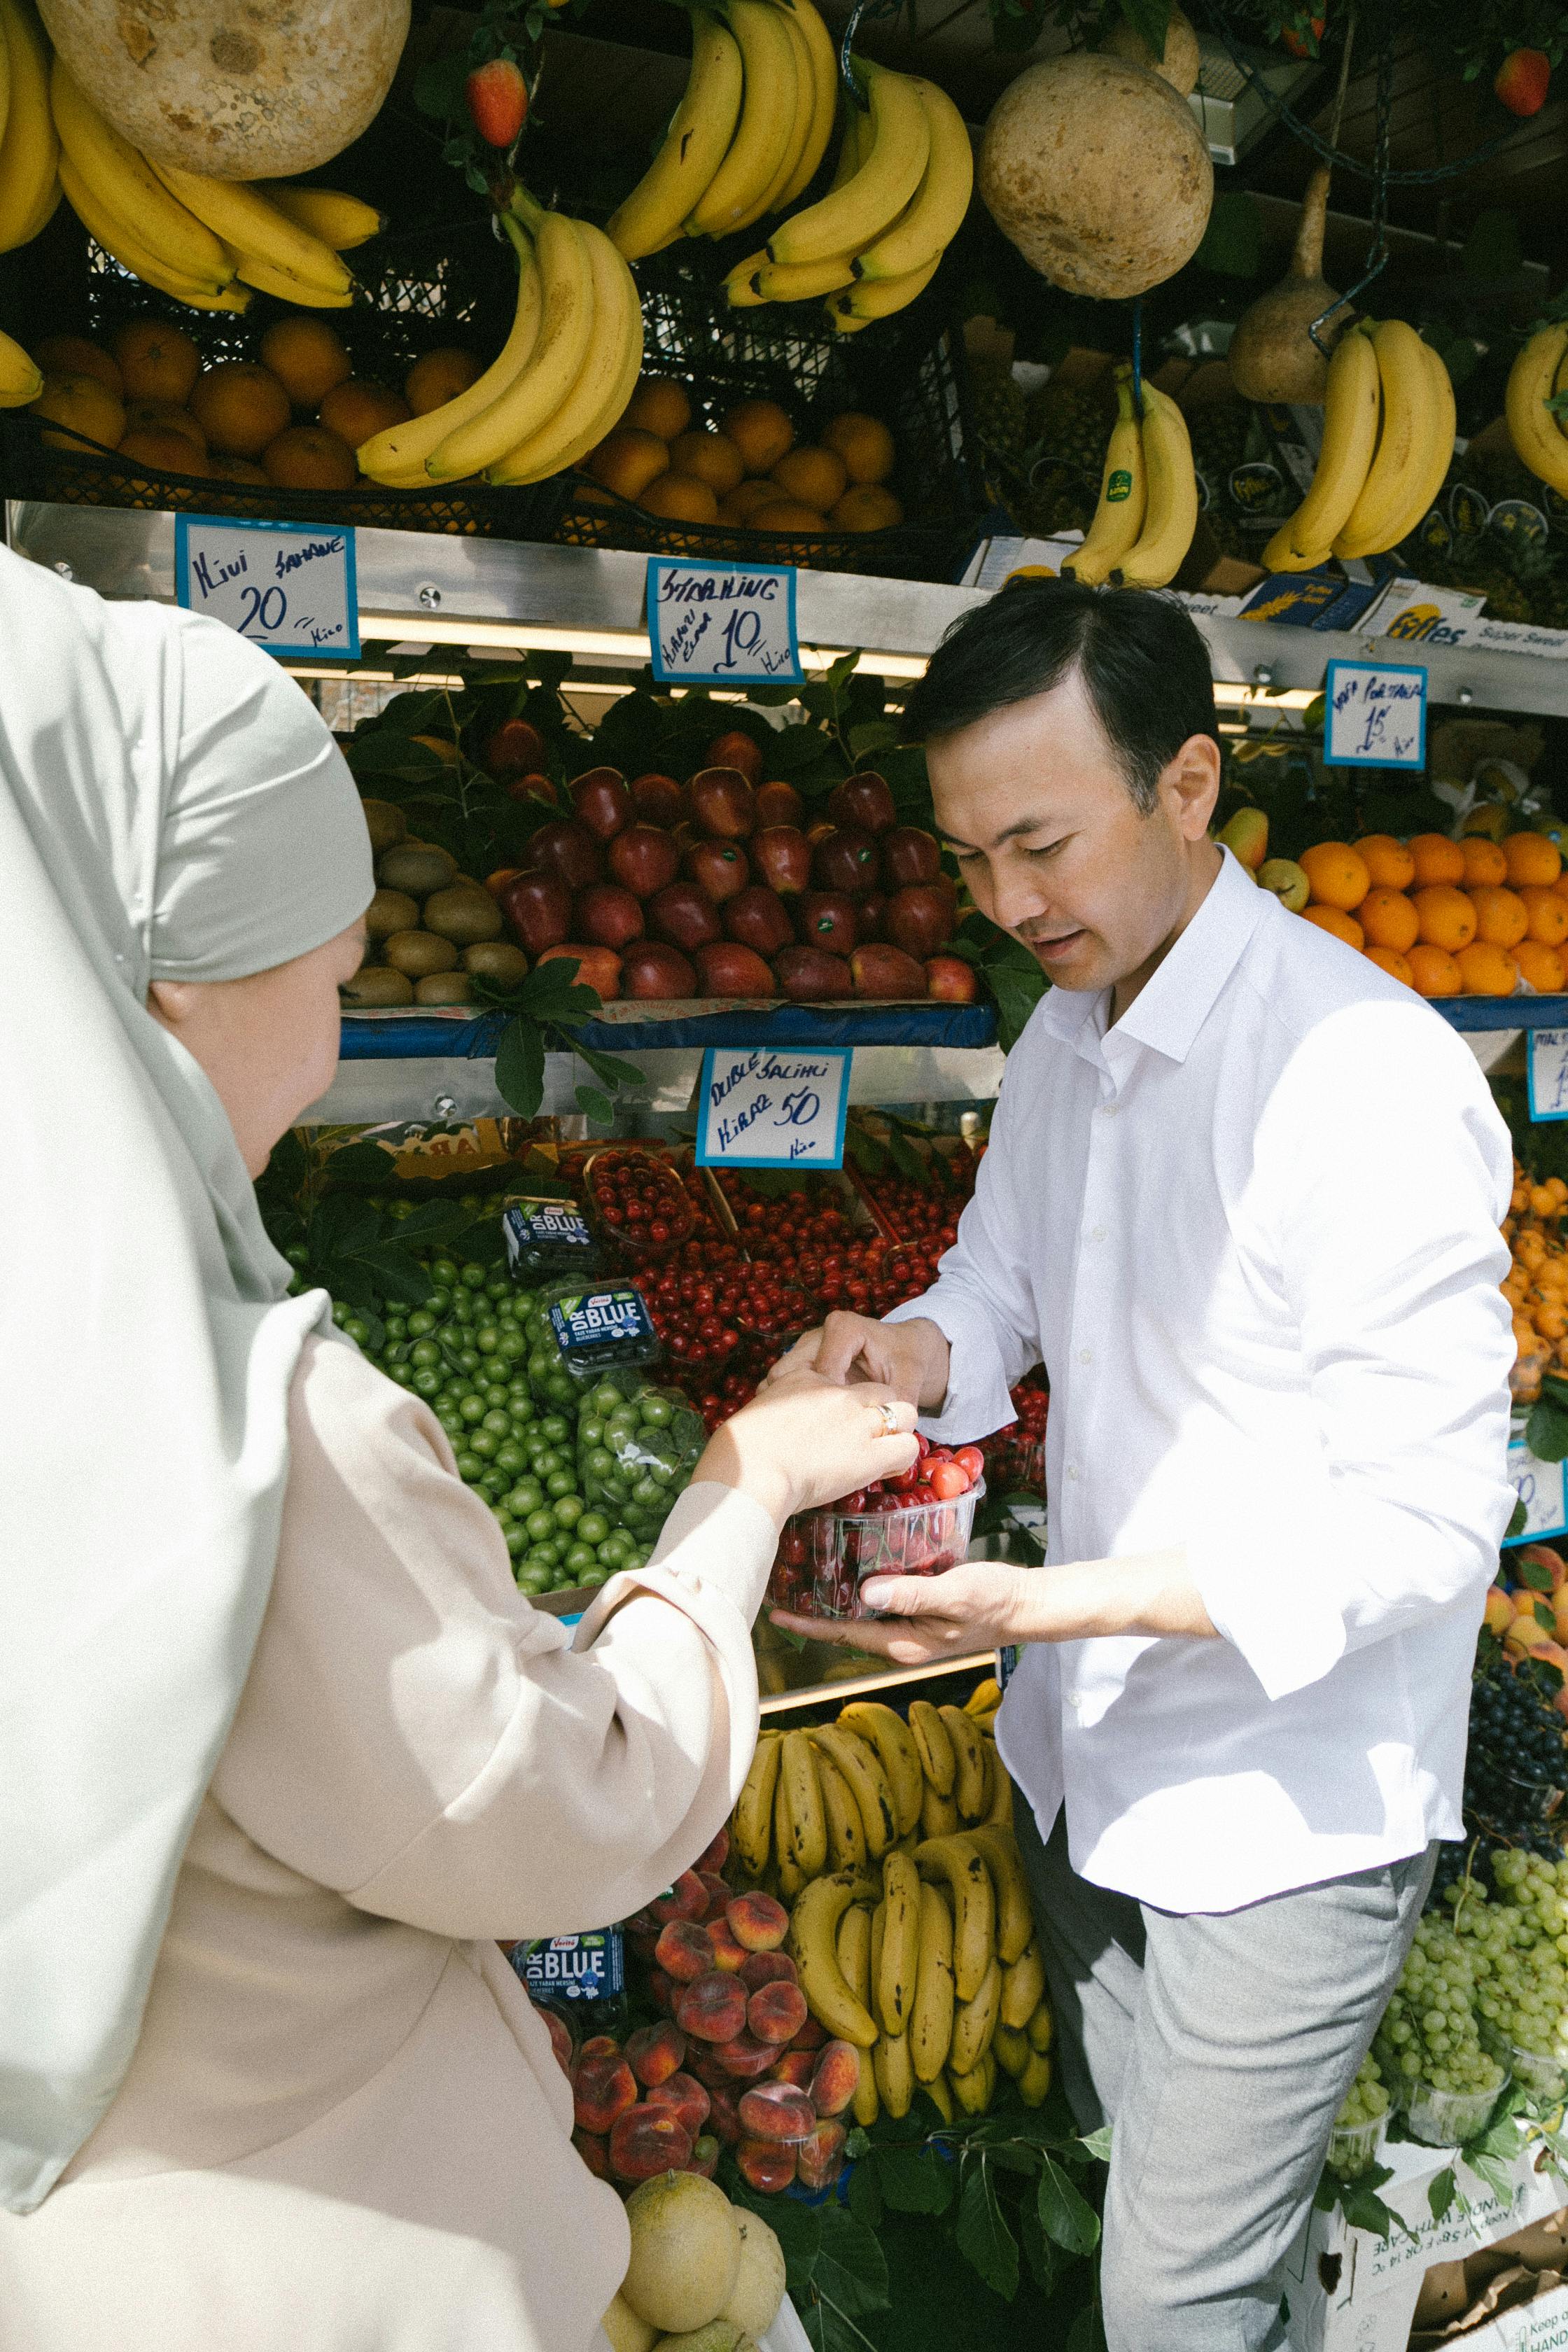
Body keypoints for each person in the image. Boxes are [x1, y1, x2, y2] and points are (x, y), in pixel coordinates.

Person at [0, 543, 918, 2352]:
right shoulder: (250, 1434)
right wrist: (745, 1489)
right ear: (171, 986)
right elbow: (567, 1804)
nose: (341, 1040)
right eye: (332, 972)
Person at [770, 579, 1516, 2351]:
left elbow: (1425, 1528)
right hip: (1080, 1767)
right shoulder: (1066, 1027)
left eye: (1039, 841)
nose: (1007, 903)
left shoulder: (1360, 1082)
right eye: (969, 859)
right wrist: (909, 1350)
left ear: (1187, 786)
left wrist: (1055, 1597)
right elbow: (1003, 1280)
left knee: (1170, 2303)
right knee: (1190, 2242)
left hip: (1281, 1807)